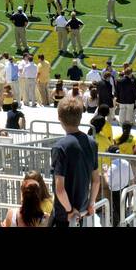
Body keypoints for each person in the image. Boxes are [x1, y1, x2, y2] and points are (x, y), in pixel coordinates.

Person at [51, 96, 100, 227]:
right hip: (83, 209)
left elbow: (60, 189)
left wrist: (69, 210)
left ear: (59, 118)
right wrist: (91, 204)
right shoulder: (92, 143)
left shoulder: (60, 147)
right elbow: (96, 180)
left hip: (65, 214)